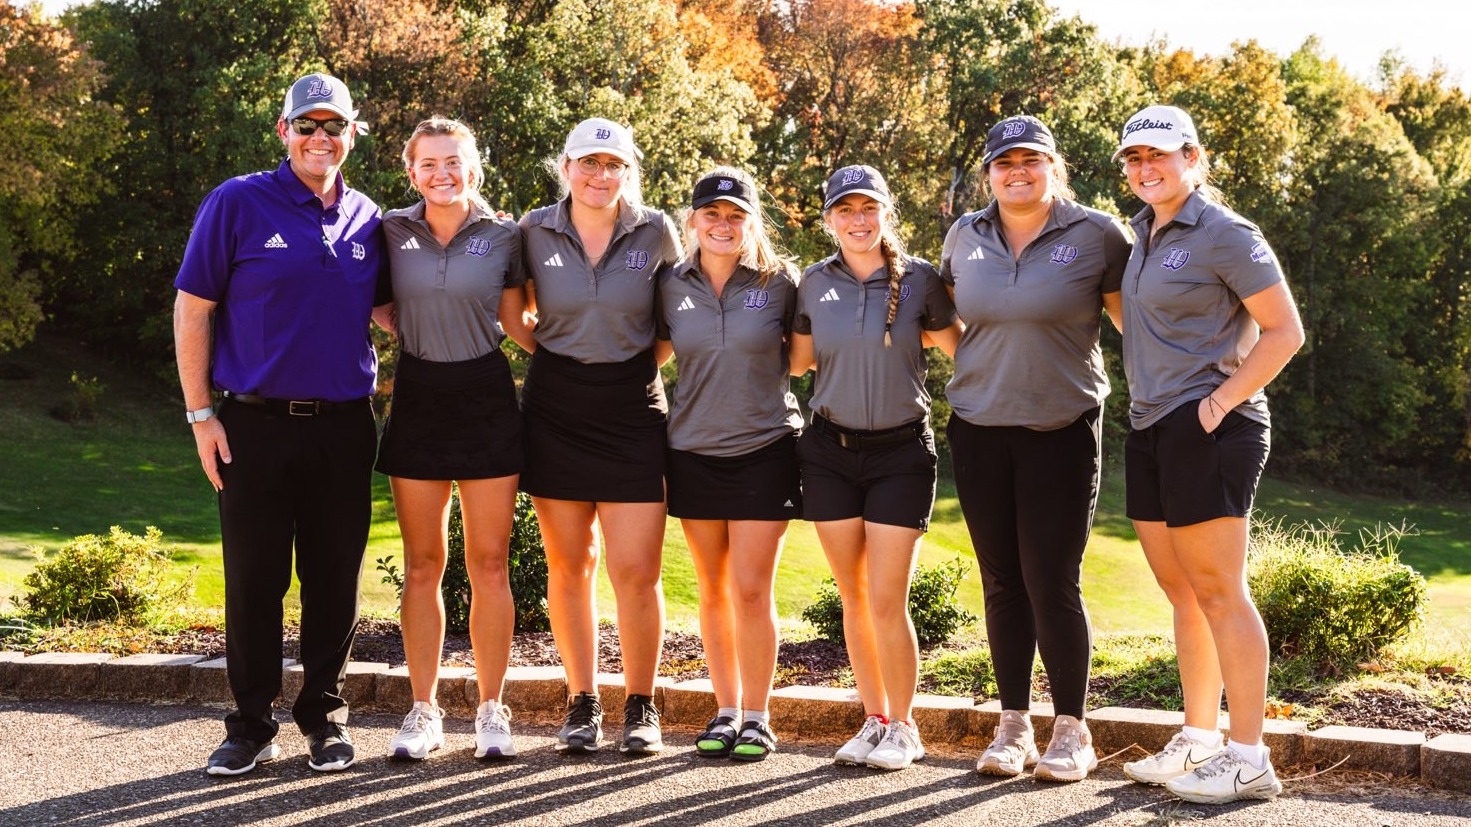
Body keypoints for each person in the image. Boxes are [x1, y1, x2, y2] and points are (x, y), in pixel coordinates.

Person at [174, 72, 390, 776]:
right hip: (253, 425)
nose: (320, 137)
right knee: (254, 580)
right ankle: (250, 722)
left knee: (334, 579)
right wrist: (201, 413)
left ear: (352, 134)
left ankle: (324, 717)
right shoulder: (237, 201)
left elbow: (393, 313)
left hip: (343, 426)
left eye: (334, 126)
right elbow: (194, 309)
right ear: (283, 131)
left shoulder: (368, 216)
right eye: (308, 125)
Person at [1111, 105, 1304, 804]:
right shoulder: (1141, 234)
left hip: (1211, 426)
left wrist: (1217, 405)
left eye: (1158, 155)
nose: (1144, 168)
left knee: (1220, 591)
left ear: (1192, 157)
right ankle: (1197, 737)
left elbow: (1284, 332)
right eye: (1132, 158)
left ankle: (1248, 756)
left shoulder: (1225, 232)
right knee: (1182, 591)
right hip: (1151, 425)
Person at [941, 115, 1129, 783]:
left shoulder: (1097, 234)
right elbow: (951, 317)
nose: (1016, 171)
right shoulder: (964, 234)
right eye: (1003, 162)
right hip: (977, 426)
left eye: (1030, 159)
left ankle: (1073, 729)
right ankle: (1013, 722)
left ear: (1054, 166)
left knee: (1051, 579)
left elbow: (1134, 319)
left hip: (1062, 427)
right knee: (1001, 581)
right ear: (989, 172)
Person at [516, 117, 682, 755]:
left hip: (632, 407)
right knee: (571, 562)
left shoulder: (656, 230)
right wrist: (560, 359)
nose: (600, 175)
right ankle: (581, 700)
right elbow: (514, 312)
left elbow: (671, 323)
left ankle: (640, 704)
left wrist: (628, 364)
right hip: (554, 408)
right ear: (566, 167)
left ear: (628, 171)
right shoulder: (533, 229)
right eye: (588, 162)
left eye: (612, 164)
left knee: (636, 569)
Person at [789, 165, 961, 771]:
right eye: (845, 210)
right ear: (830, 219)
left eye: (869, 209)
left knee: (888, 597)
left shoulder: (920, 282)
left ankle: (905, 724)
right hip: (829, 453)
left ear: (887, 213)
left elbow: (964, 350)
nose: (858, 221)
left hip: (901, 455)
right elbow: (796, 363)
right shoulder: (811, 283)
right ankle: (875, 718)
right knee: (853, 596)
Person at [376, 118, 535, 762]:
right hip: (418, 395)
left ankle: (492, 711)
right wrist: (406, 326)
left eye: (455, 162)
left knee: (489, 562)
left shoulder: (507, 235)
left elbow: (519, 319)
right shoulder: (388, 229)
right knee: (423, 564)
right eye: (429, 163)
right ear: (410, 171)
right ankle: (424, 710)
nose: (442, 174)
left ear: (476, 168)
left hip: (486, 396)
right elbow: (374, 301)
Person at [655, 168, 802, 762]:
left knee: (750, 588)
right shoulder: (669, 283)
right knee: (712, 590)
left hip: (765, 448)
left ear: (751, 221)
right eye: (711, 214)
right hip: (691, 450)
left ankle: (758, 717)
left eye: (735, 215)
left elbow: (807, 357)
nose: (723, 225)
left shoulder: (781, 282)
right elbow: (652, 351)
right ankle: (724, 710)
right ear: (692, 220)